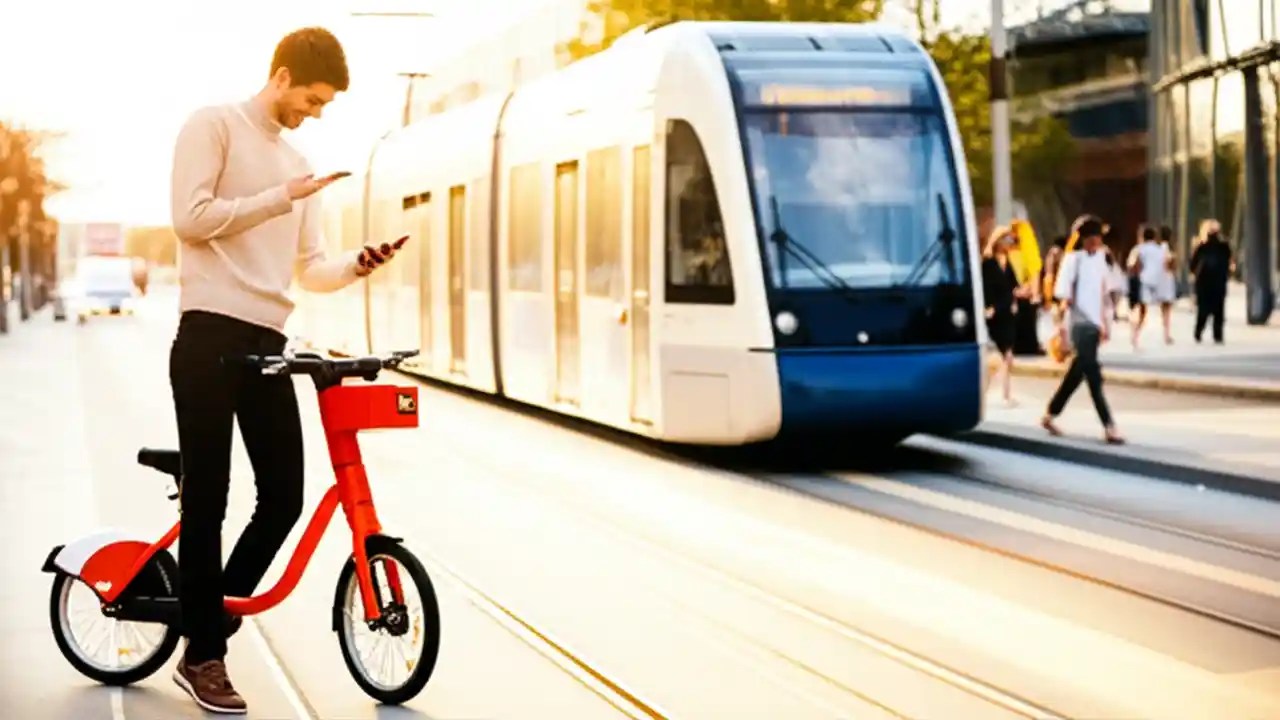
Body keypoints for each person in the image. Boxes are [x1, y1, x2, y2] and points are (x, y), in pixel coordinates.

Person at [167, 27, 401, 714]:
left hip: (268, 340)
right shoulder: (212, 127)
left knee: (284, 498)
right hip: (208, 333)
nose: (316, 111)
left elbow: (309, 270)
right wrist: (280, 195)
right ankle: (205, 654)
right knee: (209, 498)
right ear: (280, 76)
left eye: (325, 104)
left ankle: (206, 620)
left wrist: (357, 266)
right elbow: (188, 219)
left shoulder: (300, 163)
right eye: (313, 97)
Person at [1041, 216, 1125, 445]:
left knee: (1077, 373)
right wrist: (1062, 329)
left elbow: (1109, 292)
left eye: (1097, 238)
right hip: (1078, 323)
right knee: (1093, 375)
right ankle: (1109, 425)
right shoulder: (1072, 260)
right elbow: (1063, 297)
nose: (1095, 242)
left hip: (1096, 323)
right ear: (1083, 239)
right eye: (1091, 238)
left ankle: (1050, 414)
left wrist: (1108, 323)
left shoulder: (1103, 259)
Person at [981, 226, 1022, 405]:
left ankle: (1001, 393)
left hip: (1008, 313)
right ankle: (994, 391)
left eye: (1011, 241)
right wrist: (989, 308)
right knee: (1005, 356)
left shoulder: (1008, 261)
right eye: (1006, 240)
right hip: (995, 313)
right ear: (997, 241)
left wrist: (1019, 296)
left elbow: (1013, 286)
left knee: (1007, 356)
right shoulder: (988, 263)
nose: (1009, 244)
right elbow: (985, 288)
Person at [1189, 218, 1233, 343]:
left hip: (1203, 283)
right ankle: (1217, 335)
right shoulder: (1224, 247)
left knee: (1203, 309)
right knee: (1219, 310)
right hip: (1219, 282)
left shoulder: (1201, 247)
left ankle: (1198, 332)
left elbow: (1192, 265)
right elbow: (1230, 263)